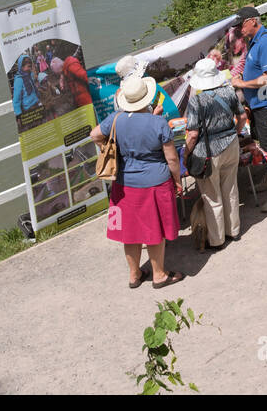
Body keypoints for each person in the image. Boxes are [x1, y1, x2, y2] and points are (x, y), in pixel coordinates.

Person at [89, 74, 185, 289]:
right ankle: (159, 274)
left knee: (130, 231)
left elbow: (94, 135)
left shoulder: (115, 119)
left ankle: (134, 274)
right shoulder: (158, 122)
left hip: (124, 183)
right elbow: (171, 159)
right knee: (155, 229)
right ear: (146, 98)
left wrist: (111, 147)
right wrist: (177, 180)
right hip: (154, 182)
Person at [229, 6, 267, 211]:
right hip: (259, 104)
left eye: (241, 25)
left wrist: (242, 85)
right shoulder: (254, 41)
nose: (238, 29)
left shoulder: (266, 43)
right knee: (264, 142)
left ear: (252, 21)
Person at [184, 58, 246, 249]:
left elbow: (193, 134)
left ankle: (217, 239)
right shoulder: (229, 92)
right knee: (230, 189)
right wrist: (234, 133)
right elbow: (242, 117)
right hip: (231, 145)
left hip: (209, 151)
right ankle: (233, 230)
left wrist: (186, 153)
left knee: (212, 196)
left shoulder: (196, 102)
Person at [12, 54, 41, 118]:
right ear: (21, 67)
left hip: (35, 102)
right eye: (28, 66)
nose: (30, 68)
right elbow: (16, 97)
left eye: (30, 66)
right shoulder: (19, 80)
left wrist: (38, 98)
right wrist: (18, 112)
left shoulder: (29, 75)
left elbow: (33, 87)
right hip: (28, 108)